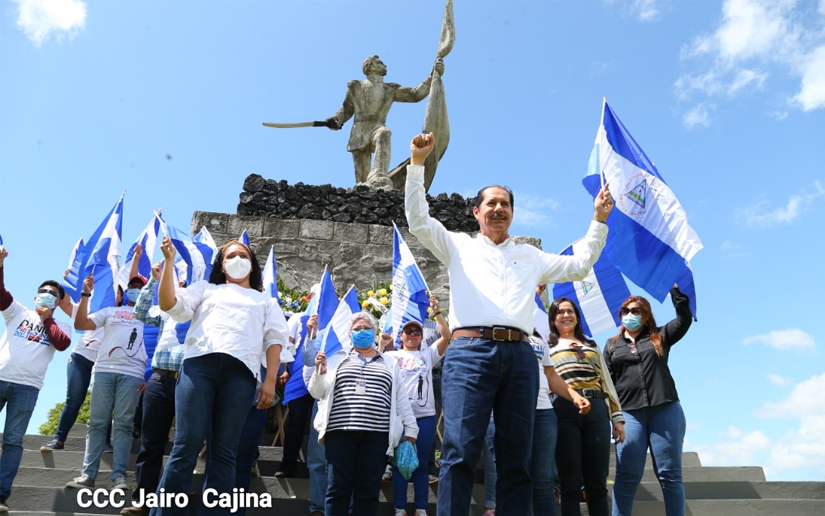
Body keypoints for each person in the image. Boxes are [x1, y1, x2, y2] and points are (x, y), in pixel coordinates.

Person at [404, 132, 614, 516]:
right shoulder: (458, 246)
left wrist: (598, 221)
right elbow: (418, 219)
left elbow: (580, 264)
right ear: (476, 212)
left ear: (512, 213)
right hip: (469, 354)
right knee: (460, 450)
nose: (498, 209)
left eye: (505, 204)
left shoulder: (530, 256)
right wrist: (418, 162)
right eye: (491, 203)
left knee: (517, 455)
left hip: (520, 356)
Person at [151, 237, 287, 516]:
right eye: (231, 255)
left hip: (241, 375)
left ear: (252, 265)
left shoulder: (265, 301)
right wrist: (168, 262)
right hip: (199, 367)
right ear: (222, 265)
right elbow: (170, 304)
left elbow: (274, 340)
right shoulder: (205, 289)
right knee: (186, 444)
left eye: (244, 255)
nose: (238, 259)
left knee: (225, 452)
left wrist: (270, 381)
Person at [308, 312, 418, 516]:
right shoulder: (336, 359)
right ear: (350, 334)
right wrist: (320, 372)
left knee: (367, 492)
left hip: (377, 436)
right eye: (357, 329)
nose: (362, 332)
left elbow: (401, 398)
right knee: (337, 489)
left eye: (366, 328)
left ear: (374, 333)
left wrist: (411, 429)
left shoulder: (389, 362)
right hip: (340, 433)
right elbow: (317, 392)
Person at [605, 287, 692, 516]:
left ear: (645, 314)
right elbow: (608, 385)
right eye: (624, 310)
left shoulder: (660, 336)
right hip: (629, 415)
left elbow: (684, 319)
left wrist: (676, 292)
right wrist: (614, 417)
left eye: (635, 310)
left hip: (666, 410)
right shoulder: (611, 345)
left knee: (670, 474)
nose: (629, 314)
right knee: (626, 475)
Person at [0, 247, 72, 511]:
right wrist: (0, 264)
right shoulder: (17, 312)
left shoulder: (60, 325)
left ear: (59, 301)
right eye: (45, 291)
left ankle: (1, 495)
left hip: (27, 389)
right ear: (35, 296)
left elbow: (62, 344)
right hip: (1, 377)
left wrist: (47, 319)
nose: (49, 294)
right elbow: (1, 293)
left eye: (55, 294)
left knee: (12, 441)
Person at [67, 272, 149, 491]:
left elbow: (156, 343)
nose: (135, 289)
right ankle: (88, 474)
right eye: (131, 285)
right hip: (103, 370)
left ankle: (119, 476)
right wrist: (85, 294)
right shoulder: (109, 311)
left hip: (133, 374)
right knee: (97, 423)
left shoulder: (151, 314)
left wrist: (149, 377)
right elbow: (82, 323)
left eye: (139, 286)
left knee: (124, 424)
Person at [121, 261, 188, 516]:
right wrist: (154, 279)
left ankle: (172, 501)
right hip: (160, 380)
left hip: (192, 381)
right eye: (177, 279)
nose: (180, 283)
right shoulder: (166, 308)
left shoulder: (203, 307)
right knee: (151, 444)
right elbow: (140, 313)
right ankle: (143, 500)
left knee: (185, 444)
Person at [547, 298, 625, 516]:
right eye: (559, 312)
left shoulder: (591, 345)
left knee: (597, 484)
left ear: (577, 317)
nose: (565, 315)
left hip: (597, 409)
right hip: (563, 410)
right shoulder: (549, 347)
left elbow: (606, 381)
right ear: (553, 320)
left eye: (570, 311)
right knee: (569, 483)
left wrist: (616, 418)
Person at [325, 56, 445, 186]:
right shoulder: (356, 86)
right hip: (359, 131)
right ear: (370, 66)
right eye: (380, 63)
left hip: (377, 126)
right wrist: (335, 120)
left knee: (383, 134)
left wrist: (432, 76)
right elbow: (347, 109)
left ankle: (379, 174)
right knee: (361, 182)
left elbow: (414, 94)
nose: (385, 65)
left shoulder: (390, 89)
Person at [386, 296, 451, 516]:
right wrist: (380, 345)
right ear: (401, 336)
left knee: (421, 465)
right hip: (400, 417)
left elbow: (446, 336)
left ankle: (421, 508)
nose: (412, 335)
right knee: (399, 464)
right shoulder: (391, 355)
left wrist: (437, 312)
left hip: (424, 415)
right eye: (408, 332)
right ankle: (399, 508)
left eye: (417, 332)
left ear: (422, 337)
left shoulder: (428, 354)